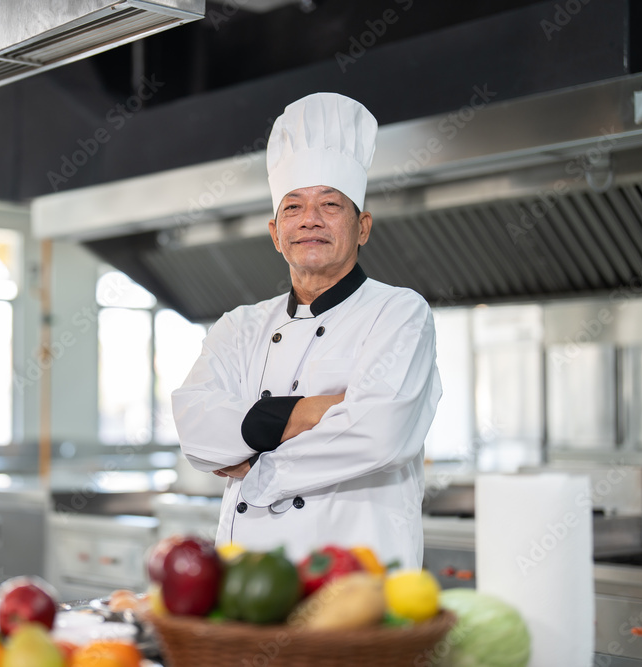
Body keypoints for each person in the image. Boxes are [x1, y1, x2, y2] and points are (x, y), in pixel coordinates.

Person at [171, 93, 442, 568]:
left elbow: (378, 434)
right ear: (276, 234)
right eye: (293, 207)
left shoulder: (400, 313)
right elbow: (196, 429)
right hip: (248, 581)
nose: (310, 220)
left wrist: (254, 458)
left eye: (330, 205)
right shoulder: (240, 326)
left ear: (363, 227)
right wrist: (319, 409)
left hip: (354, 582)